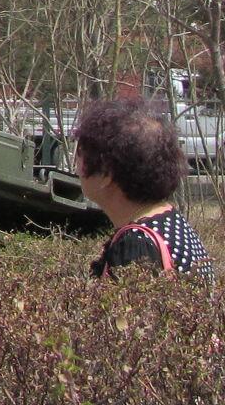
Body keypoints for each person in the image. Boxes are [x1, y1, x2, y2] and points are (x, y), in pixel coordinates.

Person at [74, 97, 216, 280]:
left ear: (107, 173)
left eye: (80, 154)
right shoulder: (170, 221)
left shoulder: (137, 245)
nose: (76, 165)